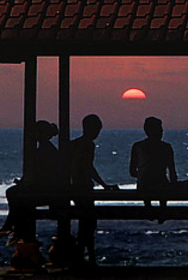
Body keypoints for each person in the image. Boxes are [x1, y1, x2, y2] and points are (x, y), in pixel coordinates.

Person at [0, 120, 67, 239]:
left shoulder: (43, 151)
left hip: (46, 190)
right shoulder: (48, 149)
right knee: (16, 196)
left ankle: (14, 228)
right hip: (49, 188)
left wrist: (24, 182)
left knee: (14, 195)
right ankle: (13, 228)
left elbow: (41, 173)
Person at [70, 113, 116, 265]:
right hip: (84, 187)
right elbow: (88, 167)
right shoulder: (88, 145)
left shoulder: (73, 143)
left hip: (74, 187)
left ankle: (84, 255)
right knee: (88, 224)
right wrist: (104, 185)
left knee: (85, 223)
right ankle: (87, 257)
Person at [129, 116, 177, 214]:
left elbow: (132, 171)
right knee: (161, 187)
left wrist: (142, 174)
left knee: (149, 187)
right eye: (159, 129)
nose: (161, 131)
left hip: (144, 186)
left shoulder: (137, 146)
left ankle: (150, 208)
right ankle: (162, 211)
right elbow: (172, 172)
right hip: (161, 185)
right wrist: (174, 186)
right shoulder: (166, 147)